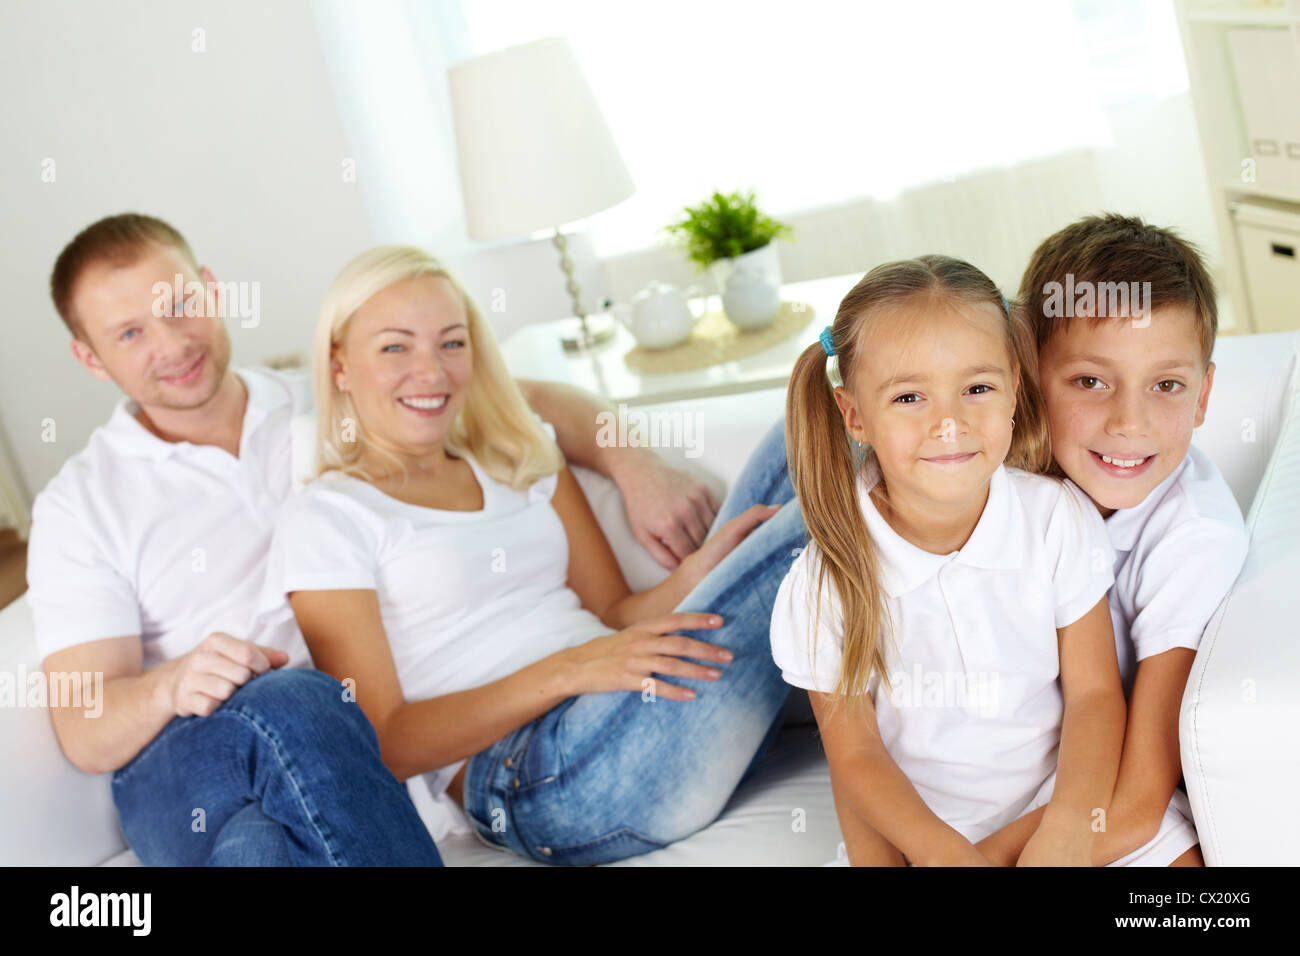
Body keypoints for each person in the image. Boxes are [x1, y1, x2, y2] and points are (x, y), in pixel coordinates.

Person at [29, 213, 724, 865]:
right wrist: (175, 682)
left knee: (260, 849)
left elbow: (516, 400)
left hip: (330, 758)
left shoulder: (328, 392)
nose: (172, 343)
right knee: (294, 697)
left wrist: (640, 464)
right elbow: (87, 729)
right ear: (89, 358)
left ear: (211, 291)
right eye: (130, 334)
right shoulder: (83, 502)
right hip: (191, 755)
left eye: (179, 305)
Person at [263, 245, 803, 864]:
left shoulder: (518, 462)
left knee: (814, 417)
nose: (432, 372)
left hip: (643, 705)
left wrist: (698, 574)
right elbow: (386, 738)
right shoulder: (328, 517)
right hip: (540, 774)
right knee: (819, 520)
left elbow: (616, 615)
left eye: (452, 343)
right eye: (395, 347)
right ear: (338, 364)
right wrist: (571, 669)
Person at [771, 254, 1135, 866]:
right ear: (854, 414)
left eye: (977, 389)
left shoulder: (1052, 519)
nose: (949, 424)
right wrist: (943, 855)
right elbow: (855, 755)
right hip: (931, 840)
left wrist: (1068, 830)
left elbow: (1096, 695)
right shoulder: (825, 581)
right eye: (910, 396)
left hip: (1065, 809)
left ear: (1015, 389)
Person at [973, 214, 1249, 866]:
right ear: (1028, 375)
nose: (1130, 423)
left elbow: (1136, 806)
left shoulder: (1194, 537)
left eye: (1167, 385)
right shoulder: (1000, 467)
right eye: (1090, 381)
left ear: (1203, 394)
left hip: (1099, 780)